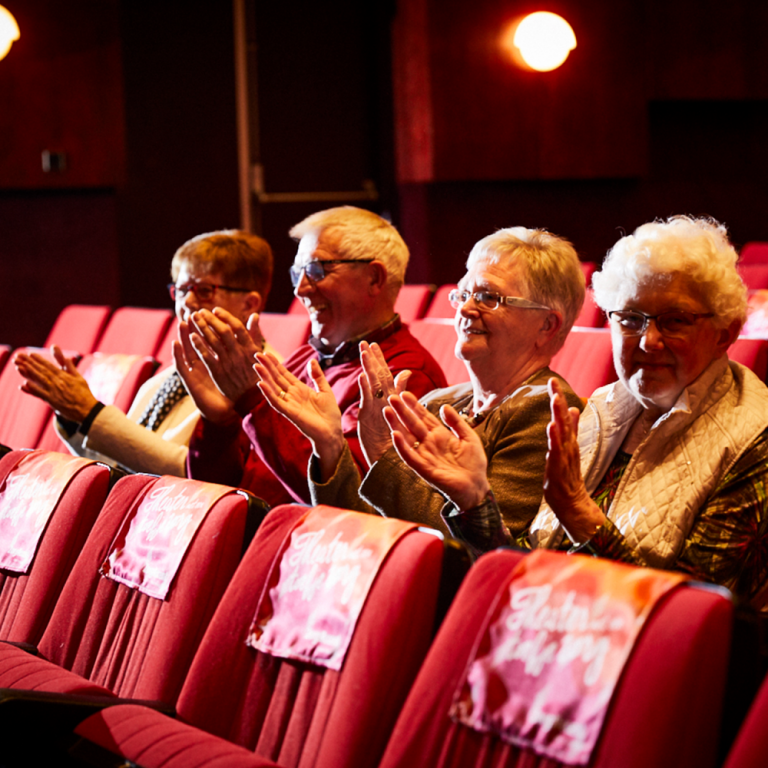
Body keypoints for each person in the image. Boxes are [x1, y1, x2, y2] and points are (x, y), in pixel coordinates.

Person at [385, 215, 768, 608]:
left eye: (674, 322)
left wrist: (582, 516)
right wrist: (473, 500)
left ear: (726, 331)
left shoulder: (754, 438)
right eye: (630, 319)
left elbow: (693, 616)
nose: (648, 341)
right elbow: (529, 569)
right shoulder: (604, 410)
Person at [253, 227, 586, 553]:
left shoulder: (546, 412)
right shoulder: (439, 402)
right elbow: (370, 525)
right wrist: (328, 446)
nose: (465, 309)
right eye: (463, 294)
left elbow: (470, 553)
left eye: (488, 297)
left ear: (546, 325)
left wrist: (385, 456)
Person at [178, 206, 447, 506]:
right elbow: (213, 492)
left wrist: (253, 402)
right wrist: (219, 423)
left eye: (318, 270)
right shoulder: (304, 357)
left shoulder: (403, 376)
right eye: (298, 273)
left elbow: (348, 502)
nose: (301, 289)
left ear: (373, 278)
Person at [14, 230, 275, 476]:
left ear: (249, 304)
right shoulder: (167, 378)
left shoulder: (264, 384)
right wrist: (76, 417)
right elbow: (123, 467)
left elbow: (197, 474)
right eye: (181, 290)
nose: (188, 302)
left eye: (204, 291)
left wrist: (92, 414)